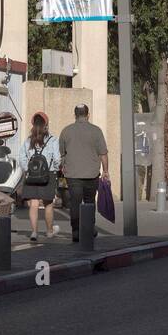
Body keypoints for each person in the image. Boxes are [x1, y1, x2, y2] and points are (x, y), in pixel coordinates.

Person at [58, 104, 109, 242]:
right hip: (92, 174)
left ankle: (75, 231)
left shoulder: (66, 131)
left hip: (73, 174)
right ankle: (89, 228)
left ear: (75, 115)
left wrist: (64, 166)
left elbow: (62, 154)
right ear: (88, 114)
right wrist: (105, 171)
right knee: (89, 202)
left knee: (75, 202)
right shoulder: (96, 131)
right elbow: (103, 153)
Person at [17, 111, 61, 240]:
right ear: (46, 125)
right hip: (48, 175)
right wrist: (55, 168)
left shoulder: (28, 141)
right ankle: (49, 231)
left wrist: (28, 169)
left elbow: (21, 157)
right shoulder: (53, 140)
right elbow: (57, 158)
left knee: (34, 204)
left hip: (31, 176)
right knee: (48, 204)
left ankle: (34, 233)